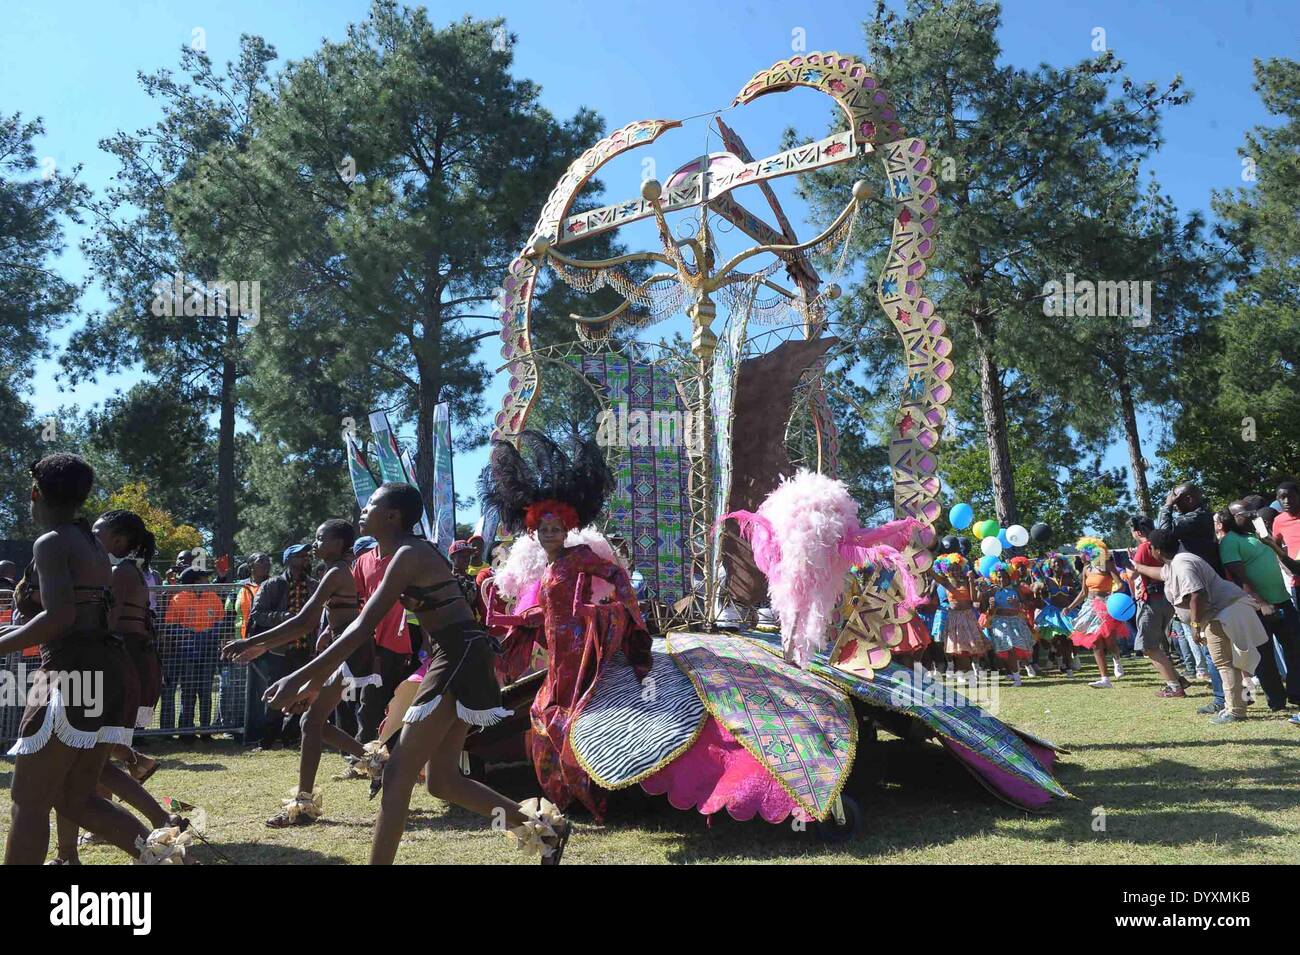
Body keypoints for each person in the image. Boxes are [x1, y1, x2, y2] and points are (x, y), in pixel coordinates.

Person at [264, 482, 567, 864]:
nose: (363, 509)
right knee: (443, 782)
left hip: (459, 653)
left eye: (371, 504)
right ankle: (545, 831)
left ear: (392, 516)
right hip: (458, 654)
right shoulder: (390, 555)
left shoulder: (409, 554)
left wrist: (299, 680)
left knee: (396, 775)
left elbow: (360, 628)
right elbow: (338, 623)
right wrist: (264, 649)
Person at [477, 432, 650, 822]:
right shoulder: (551, 567)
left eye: (556, 528)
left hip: (580, 653)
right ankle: (570, 795)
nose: (550, 533)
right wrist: (512, 618)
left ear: (568, 528)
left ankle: (590, 795)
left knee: (560, 715)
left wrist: (610, 611)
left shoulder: (579, 556)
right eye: (544, 528)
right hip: (557, 653)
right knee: (543, 714)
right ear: (534, 531)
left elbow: (617, 576)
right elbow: (548, 613)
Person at [1, 454, 149, 864]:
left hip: (70, 673)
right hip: (103, 670)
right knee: (75, 800)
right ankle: (172, 857)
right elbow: (76, 614)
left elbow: (61, 617)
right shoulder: (91, 544)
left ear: (35, 492)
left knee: (28, 800)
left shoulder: (51, 542)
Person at [223, 520, 375, 826]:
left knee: (309, 719)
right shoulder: (344, 570)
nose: (315, 545)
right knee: (310, 720)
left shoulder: (335, 572)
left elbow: (303, 622)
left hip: (348, 653)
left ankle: (304, 805)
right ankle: (376, 762)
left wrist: (253, 641)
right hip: (347, 651)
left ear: (340, 543)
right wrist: (263, 646)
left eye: (321, 539)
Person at [50, 509, 180, 864]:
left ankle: (156, 820)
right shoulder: (123, 570)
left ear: (119, 541)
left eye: (98, 532)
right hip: (109, 666)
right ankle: (71, 852)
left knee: (81, 762)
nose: (91, 538)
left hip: (107, 668)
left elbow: (105, 622)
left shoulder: (119, 573)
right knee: (88, 762)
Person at [1131, 529, 1270, 724]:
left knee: (1224, 662)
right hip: (1228, 610)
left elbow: (1198, 594)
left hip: (1221, 614)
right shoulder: (1176, 562)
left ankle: (1236, 711)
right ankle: (1244, 699)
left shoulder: (1182, 564)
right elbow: (1160, 573)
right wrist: (1138, 566)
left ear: (1157, 550)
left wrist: (1195, 625)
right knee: (1237, 659)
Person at [1219, 501, 1298, 710]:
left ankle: (1296, 693)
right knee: (1265, 656)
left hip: (1282, 600)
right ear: (1233, 517)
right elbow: (1239, 578)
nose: (1252, 515)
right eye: (1245, 513)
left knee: (1295, 647)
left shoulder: (1260, 535)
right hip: (1258, 607)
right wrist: (1262, 602)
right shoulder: (1230, 541)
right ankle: (1277, 701)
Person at [246, 545, 318, 749]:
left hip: (306, 649)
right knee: (276, 694)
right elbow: (257, 615)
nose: (305, 558)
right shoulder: (272, 585)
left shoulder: (314, 585)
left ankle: (291, 736)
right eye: (299, 555)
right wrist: (282, 617)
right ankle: (268, 740)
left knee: (303, 694)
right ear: (288, 559)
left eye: (306, 555)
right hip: (279, 650)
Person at [352, 534, 419, 745]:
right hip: (373, 644)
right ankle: (362, 759)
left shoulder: (404, 558)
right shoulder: (363, 562)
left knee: (400, 703)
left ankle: (395, 756)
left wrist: (425, 642)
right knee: (369, 703)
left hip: (406, 644)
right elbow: (357, 599)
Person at [1127, 516, 1194, 698]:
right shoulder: (1164, 544)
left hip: (1151, 599)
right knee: (1156, 643)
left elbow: (1132, 575)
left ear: (1137, 531)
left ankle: (1174, 686)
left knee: (1148, 646)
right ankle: (1178, 679)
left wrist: (1129, 563)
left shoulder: (1143, 547)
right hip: (1167, 597)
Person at [1066, 537, 1130, 688]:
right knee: (1095, 643)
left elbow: (1120, 585)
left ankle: (1117, 660)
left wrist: (1111, 599)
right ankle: (1105, 679)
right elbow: (1083, 592)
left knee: (1109, 640)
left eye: (1082, 552)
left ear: (1090, 552)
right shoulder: (1086, 569)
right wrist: (1070, 606)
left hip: (1105, 606)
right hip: (1089, 606)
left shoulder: (1106, 564)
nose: (1079, 555)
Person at [929, 553, 988, 685]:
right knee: (959, 648)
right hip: (954, 618)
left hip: (968, 616)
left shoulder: (966, 581)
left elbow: (974, 599)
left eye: (957, 568)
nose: (955, 570)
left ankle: (969, 672)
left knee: (970, 647)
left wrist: (972, 580)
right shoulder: (945, 582)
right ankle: (960, 674)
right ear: (946, 570)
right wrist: (924, 561)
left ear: (962, 568)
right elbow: (932, 573)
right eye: (951, 568)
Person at [982, 563, 1035, 686]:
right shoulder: (992, 591)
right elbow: (988, 612)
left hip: (1016, 621)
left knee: (1018, 649)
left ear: (1009, 577)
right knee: (1009, 649)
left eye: (1004, 577)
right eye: (999, 577)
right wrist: (991, 607)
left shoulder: (1016, 590)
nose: (1002, 579)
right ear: (995, 577)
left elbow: (1026, 605)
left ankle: (1026, 665)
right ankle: (1017, 678)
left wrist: (1018, 604)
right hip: (1000, 623)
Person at [1156, 483, 1223, 575]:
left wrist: (1167, 506)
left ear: (1189, 499)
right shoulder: (1205, 515)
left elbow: (1163, 536)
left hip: (1202, 576)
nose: (1175, 505)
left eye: (1177, 501)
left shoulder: (1194, 518)